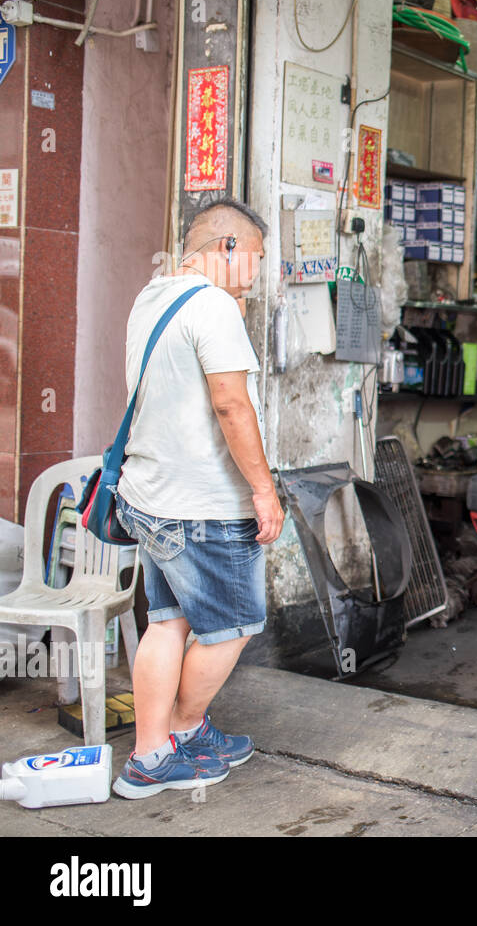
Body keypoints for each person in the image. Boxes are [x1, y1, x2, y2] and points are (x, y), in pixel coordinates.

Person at [111, 198, 285, 799]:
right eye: (257, 259)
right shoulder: (213, 306)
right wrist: (264, 490)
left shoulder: (152, 295)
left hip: (152, 494)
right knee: (233, 625)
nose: (259, 274)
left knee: (169, 620)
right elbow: (231, 405)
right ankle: (179, 733)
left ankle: (152, 749)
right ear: (227, 249)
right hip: (203, 504)